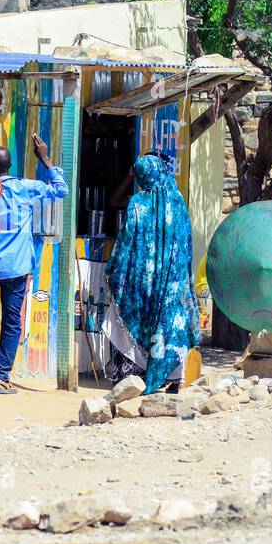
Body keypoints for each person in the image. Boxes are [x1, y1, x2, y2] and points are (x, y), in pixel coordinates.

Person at [0, 133, 67, 394]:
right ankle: (0, 379)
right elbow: (61, 190)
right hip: (16, 269)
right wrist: (44, 158)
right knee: (11, 322)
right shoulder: (23, 188)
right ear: (9, 167)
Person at [103, 152, 198, 393]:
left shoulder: (137, 203)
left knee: (136, 321)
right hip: (172, 281)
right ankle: (174, 378)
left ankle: (132, 378)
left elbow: (125, 243)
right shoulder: (178, 201)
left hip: (141, 282)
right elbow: (186, 243)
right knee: (169, 325)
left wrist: (114, 270)